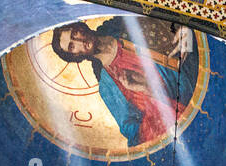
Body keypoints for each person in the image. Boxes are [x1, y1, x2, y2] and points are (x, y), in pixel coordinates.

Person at [50, 19, 198, 149]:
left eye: (75, 34)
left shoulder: (126, 25)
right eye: (71, 46)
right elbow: (135, 133)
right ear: (74, 56)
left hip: (194, 74)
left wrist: (184, 31)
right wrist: (146, 89)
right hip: (180, 112)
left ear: (80, 27)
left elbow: (175, 26)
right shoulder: (107, 86)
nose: (79, 41)